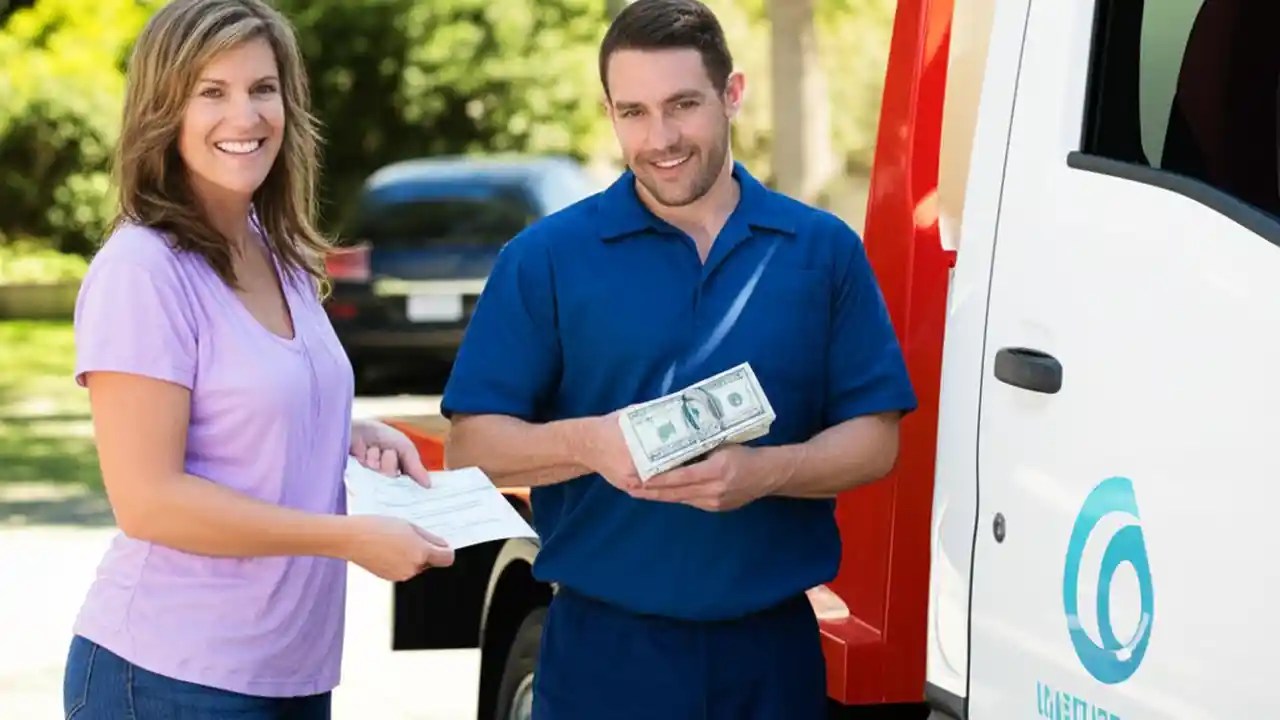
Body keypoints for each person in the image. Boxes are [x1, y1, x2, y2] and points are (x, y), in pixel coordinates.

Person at [441, 0, 918, 717]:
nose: (659, 137)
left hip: (774, 659)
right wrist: (590, 443)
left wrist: (767, 473)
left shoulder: (822, 252)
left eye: (683, 105)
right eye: (632, 112)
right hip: (603, 659)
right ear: (609, 112)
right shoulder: (544, 259)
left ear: (732, 95)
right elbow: (470, 450)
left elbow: (876, 440)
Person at [61, 1, 454, 717]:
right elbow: (150, 500)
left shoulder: (280, 256)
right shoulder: (142, 269)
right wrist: (348, 538)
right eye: (211, 92)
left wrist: (345, 435)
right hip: (168, 677)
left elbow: (242, 419)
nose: (245, 116)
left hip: (292, 673)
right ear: (163, 110)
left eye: (262, 88)